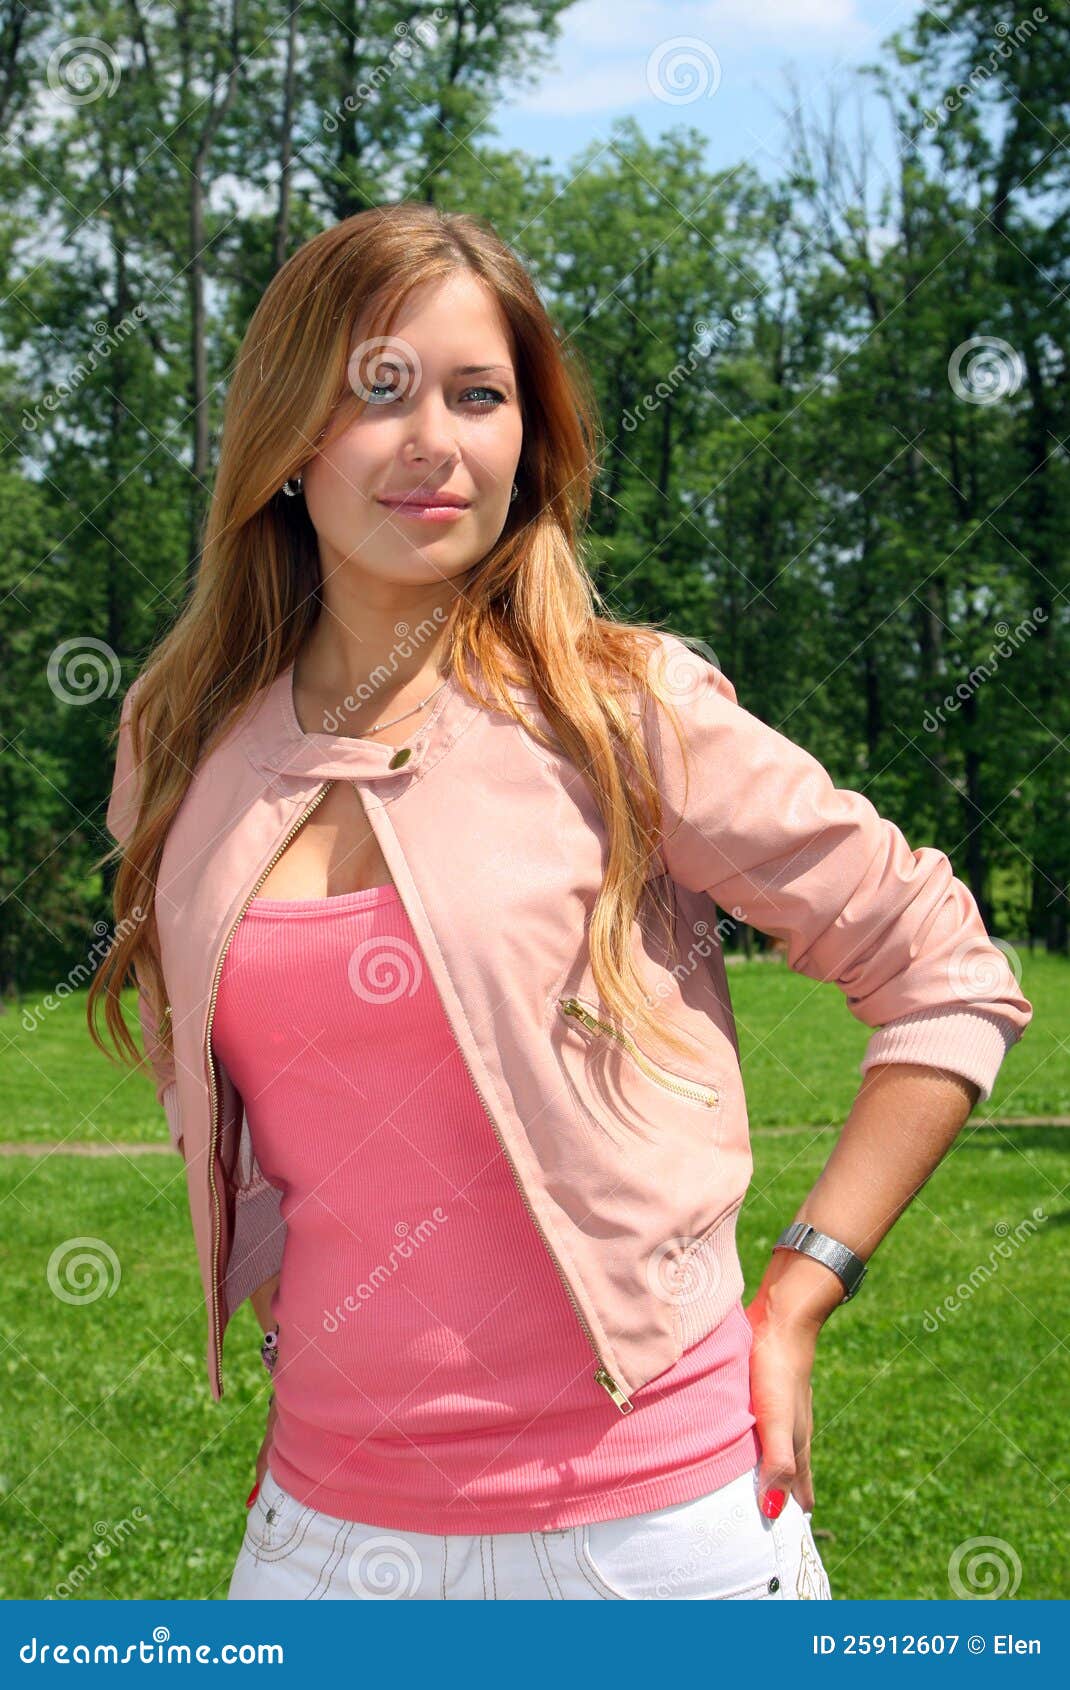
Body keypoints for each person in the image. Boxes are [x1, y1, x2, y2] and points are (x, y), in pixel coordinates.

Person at [91, 203, 1032, 1601]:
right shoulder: (181, 740)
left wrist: (802, 1286)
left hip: (656, 1541)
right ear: (289, 437)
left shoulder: (616, 706)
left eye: (481, 395)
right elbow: (227, 1095)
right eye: (379, 390)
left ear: (526, 440)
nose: (436, 441)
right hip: (323, 1538)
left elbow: (943, 968)